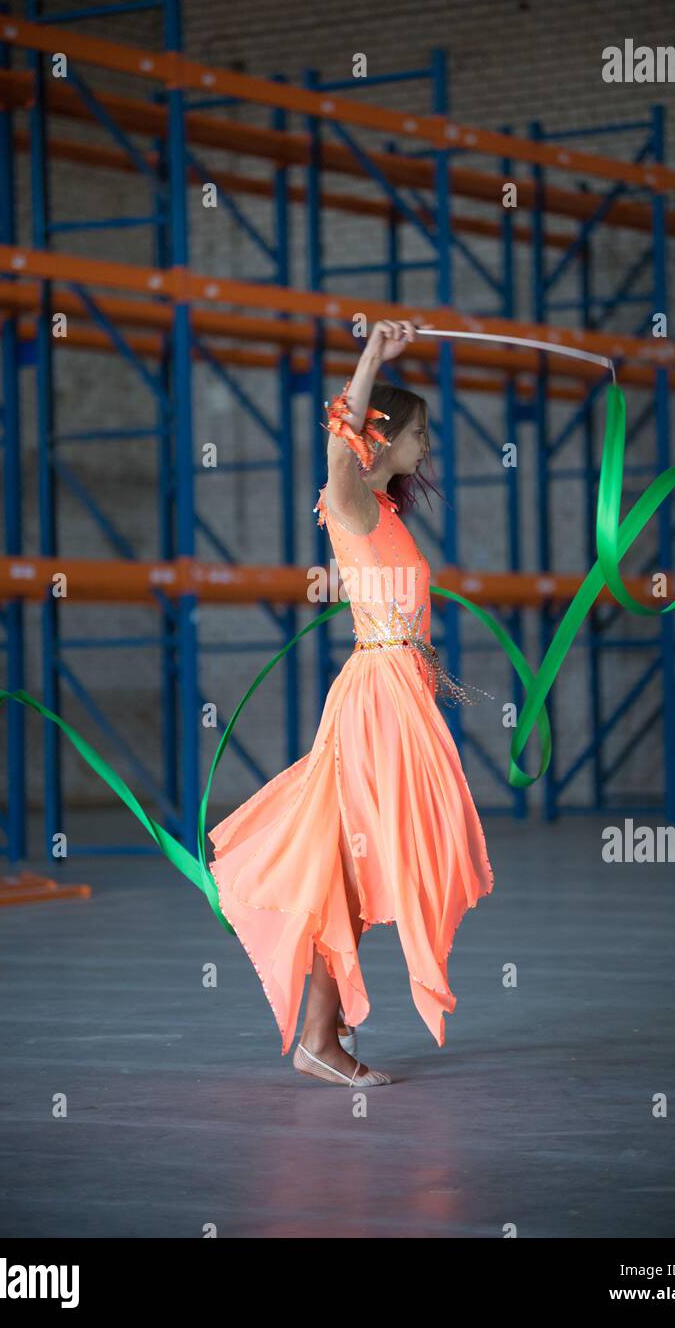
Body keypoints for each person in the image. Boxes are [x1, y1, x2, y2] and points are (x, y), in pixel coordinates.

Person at [206, 320, 495, 1087]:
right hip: (377, 698)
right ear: (387, 434)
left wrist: (424, 661)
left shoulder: (387, 514)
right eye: (420, 432)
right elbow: (340, 446)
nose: (427, 444)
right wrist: (372, 356)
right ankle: (319, 1041)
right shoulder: (351, 502)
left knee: (362, 866)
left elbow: (397, 602)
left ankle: (319, 1039)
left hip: (401, 688)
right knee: (363, 866)